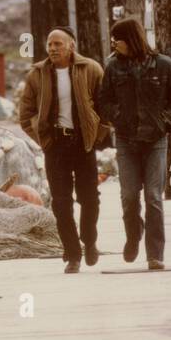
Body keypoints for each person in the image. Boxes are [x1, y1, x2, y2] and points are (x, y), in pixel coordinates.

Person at [17, 26, 110, 273]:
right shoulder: (37, 74)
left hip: (83, 143)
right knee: (60, 202)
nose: (52, 48)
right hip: (55, 145)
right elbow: (25, 114)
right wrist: (43, 139)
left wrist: (97, 133)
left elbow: (106, 106)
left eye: (58, 44)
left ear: (72, 45)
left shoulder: (90, 69)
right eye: (49, 44)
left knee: (89, 198)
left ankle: (89, 241)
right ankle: (72, 253)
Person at [96, 16, 171, 271]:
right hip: (126, 140)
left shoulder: (164, 65)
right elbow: (104, 100)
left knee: (153, 197)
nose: (114, 44)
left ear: (132, 39)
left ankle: (155, 254)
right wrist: (117, 116)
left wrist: (165, 121)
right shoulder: (112, 67)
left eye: (118, 39)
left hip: (155, 140)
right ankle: (133, 235)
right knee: (128, 195)